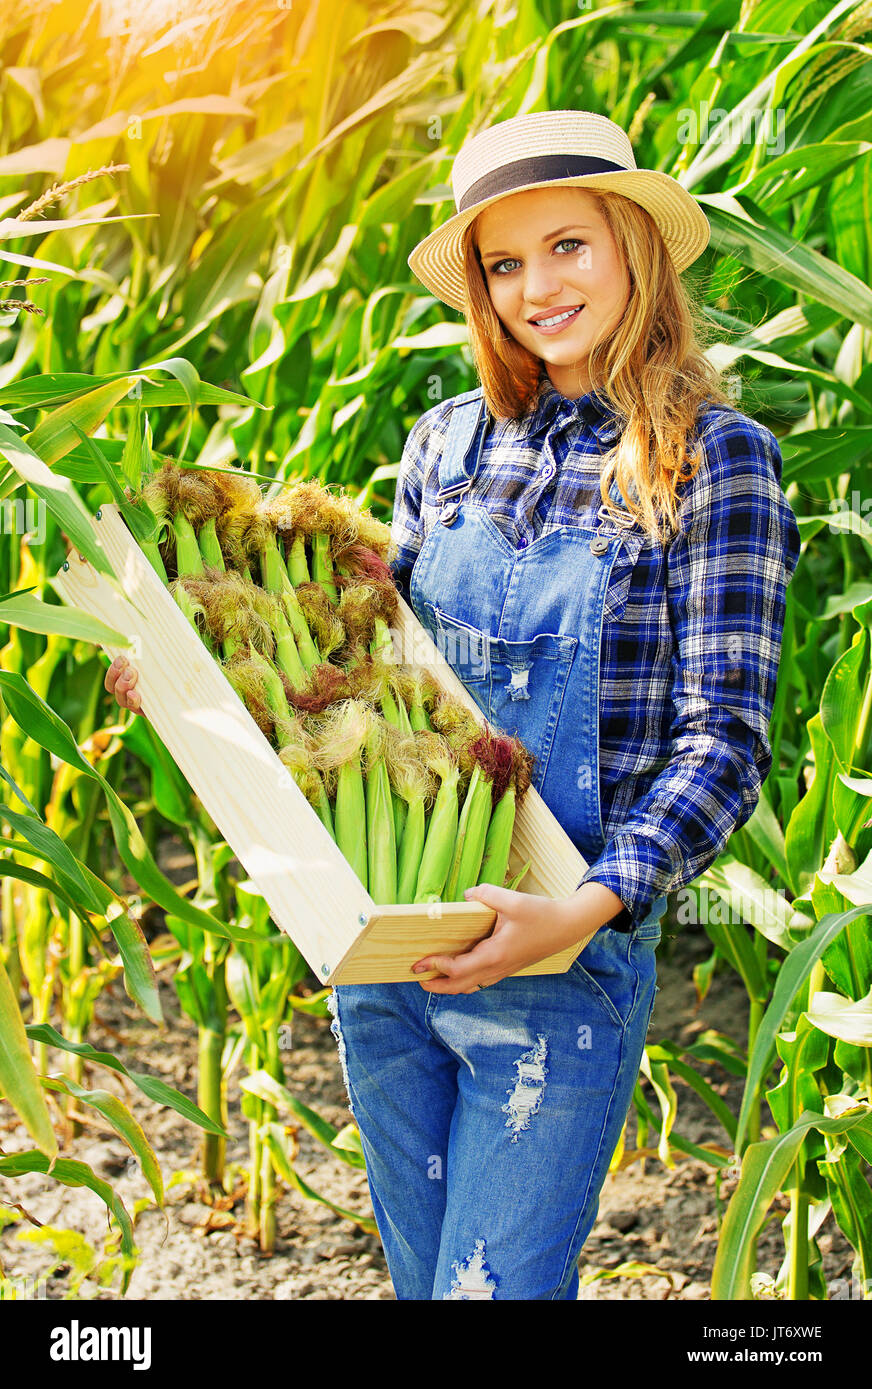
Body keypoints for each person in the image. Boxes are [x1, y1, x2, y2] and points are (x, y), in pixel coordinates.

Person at [107, 109, 801, 1301]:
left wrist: (579, 909)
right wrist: (207, 680)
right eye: (503, 261)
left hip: (557, 959)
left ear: (633, 244)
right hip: (389, 956)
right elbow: (387, 687)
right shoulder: (443, 445)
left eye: (569, 244)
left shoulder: (711, 459)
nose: (539, 285)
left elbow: (722, 743)